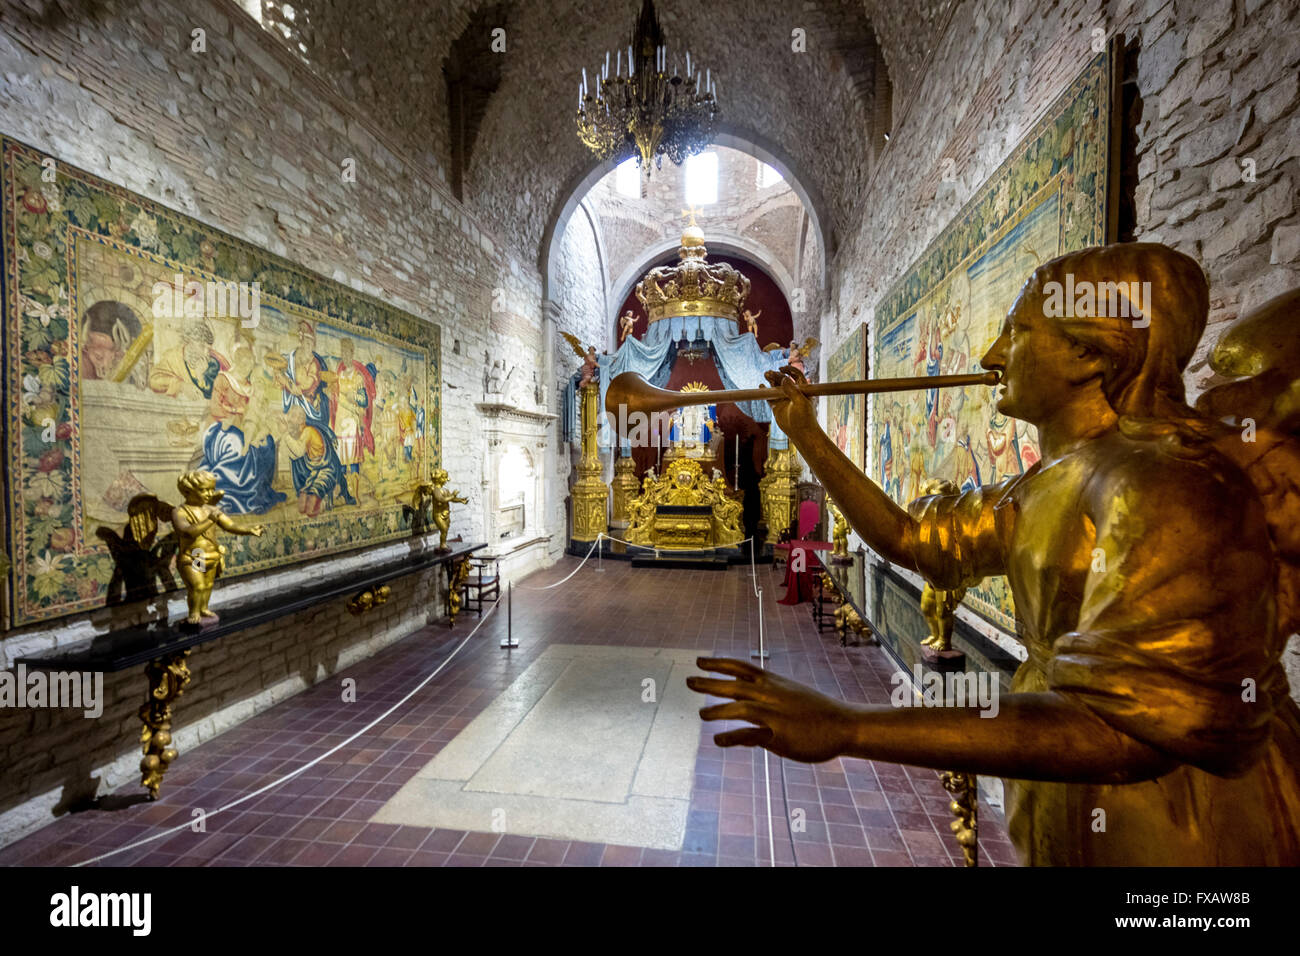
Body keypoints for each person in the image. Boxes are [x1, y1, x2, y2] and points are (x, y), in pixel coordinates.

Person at [688, 243, 1300, 865]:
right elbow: (910, 539)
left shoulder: (1164, 485)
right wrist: (808, 435)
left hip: (1178, 822)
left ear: (1089, 354)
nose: (992, 355)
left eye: (1019, 332)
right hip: (1075, 788)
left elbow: (1127, 729)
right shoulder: (1047, 483)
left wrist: (848, 726)